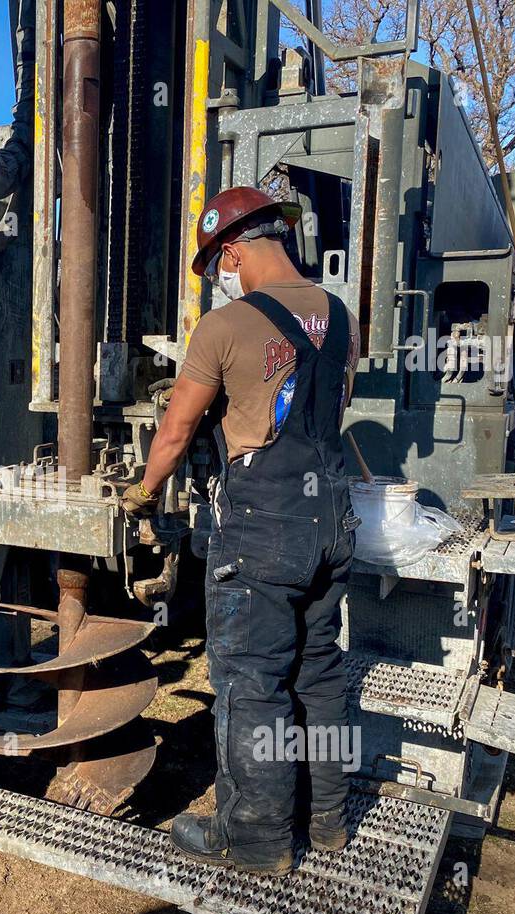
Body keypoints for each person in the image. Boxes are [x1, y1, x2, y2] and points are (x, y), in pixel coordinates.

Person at [122, 188, 361, 876]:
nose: (219, 277)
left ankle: (256, 839)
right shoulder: (339, 315)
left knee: (251, 682)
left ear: (232, 252)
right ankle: (328, 821)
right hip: (330, 521)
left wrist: (143, 493)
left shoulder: (226, 326)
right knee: (318, 675)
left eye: (216, 264)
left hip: (261, 529)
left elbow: (174, 432)